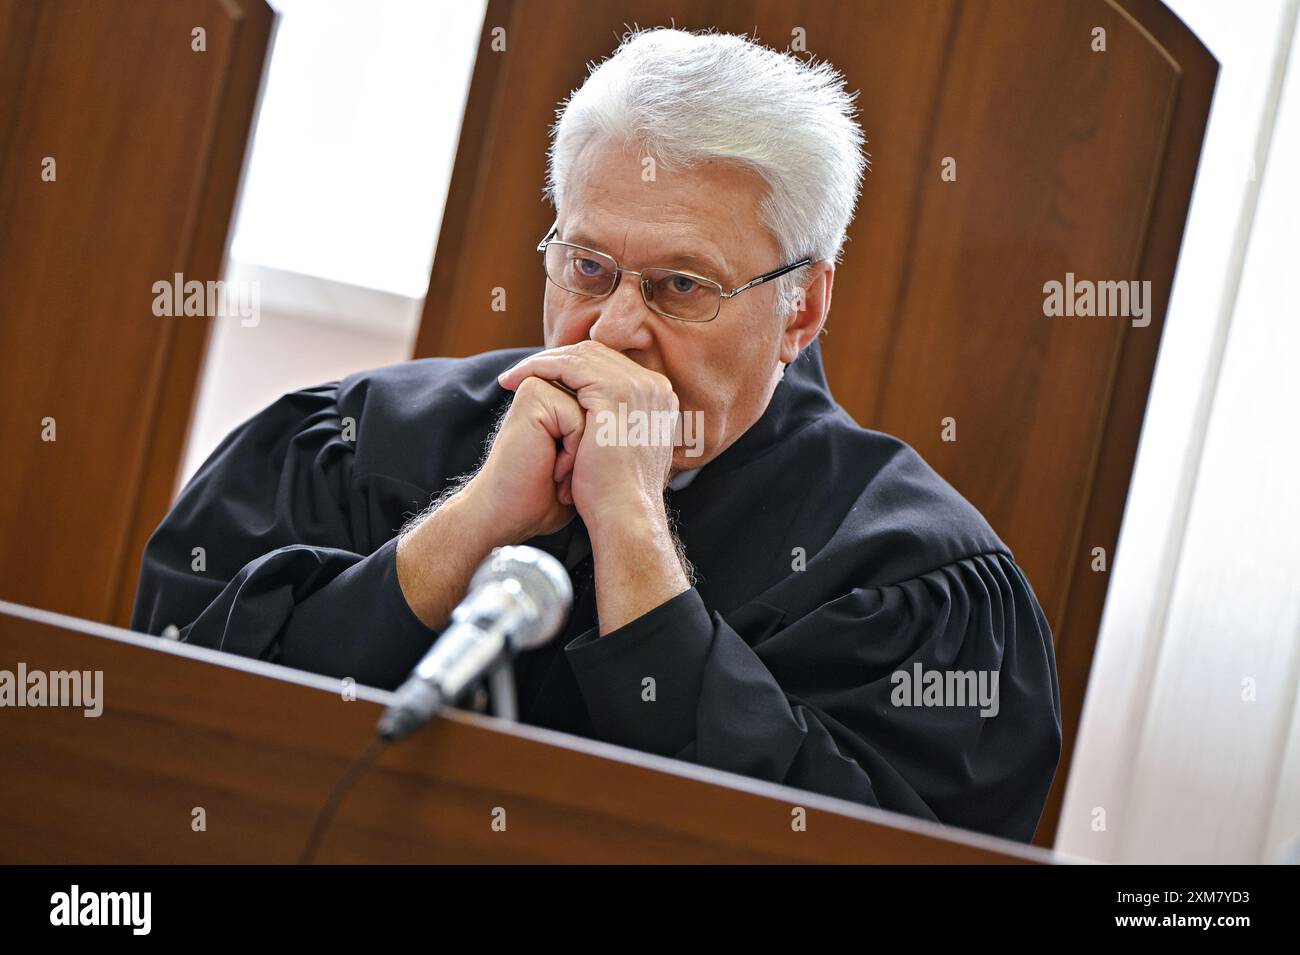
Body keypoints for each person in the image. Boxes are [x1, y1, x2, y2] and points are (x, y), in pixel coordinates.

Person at [133, 27, 1061, 843]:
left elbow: (823, 842)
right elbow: (169, 747)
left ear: (801, 308)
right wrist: (473, 523)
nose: (614, 328)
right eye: (589, 266)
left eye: (682, 285)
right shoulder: (357, 437)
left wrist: (631, 528)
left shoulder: (912, 580)